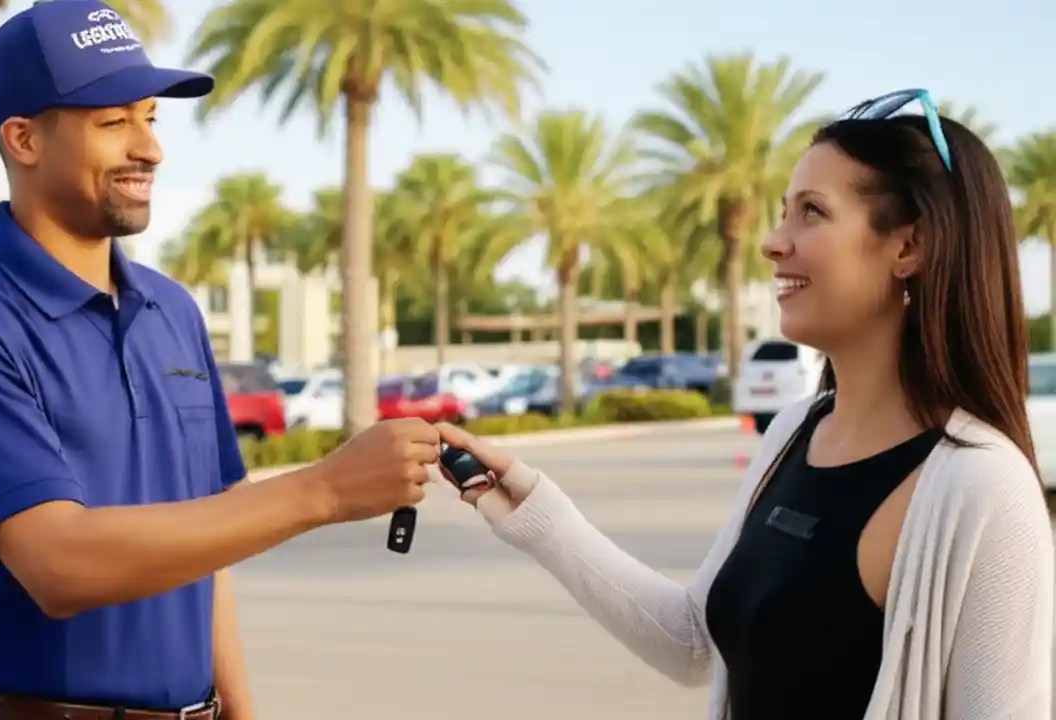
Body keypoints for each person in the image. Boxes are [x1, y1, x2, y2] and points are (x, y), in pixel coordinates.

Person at [0, 2, 441, 719]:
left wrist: (240, 710)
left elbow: (206, 541)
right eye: (113, 122)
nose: (149, 149)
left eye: (151, 118)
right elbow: (59, 563)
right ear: (23, 139)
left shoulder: (172, 311)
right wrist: (327, 491)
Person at [435, 89, 1053, 719]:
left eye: (812, 213)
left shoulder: (982, 486)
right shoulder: (793, 431)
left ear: (908, 247)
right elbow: (694, 640)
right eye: (784, 212)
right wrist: (537, 513)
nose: (773, 242)